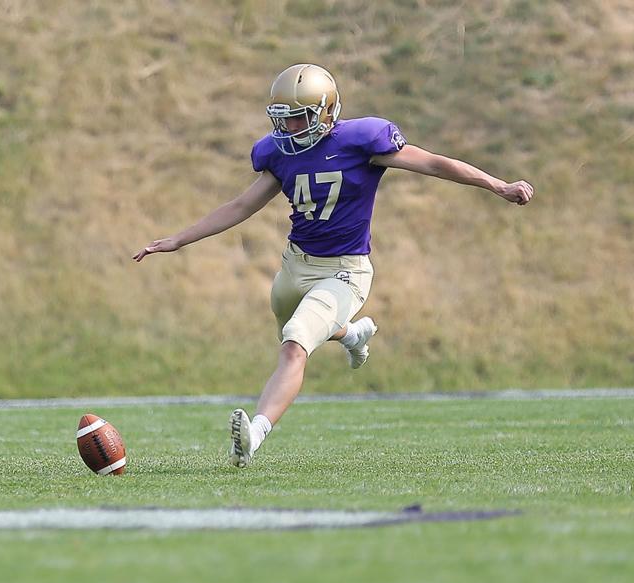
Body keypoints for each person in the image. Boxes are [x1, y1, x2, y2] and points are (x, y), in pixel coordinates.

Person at [134, 63, 533, 468]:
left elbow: (432, 163)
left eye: (298, 117)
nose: (288, 128)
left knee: (295, 343)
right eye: (282, 118)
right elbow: (240, 206)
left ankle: (253, 435)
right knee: (303, 325)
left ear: (325, 112)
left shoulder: (363, 141)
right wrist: (179, 239)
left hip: (345, 270)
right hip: (294, 268)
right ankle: (353, 334)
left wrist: (497, 185)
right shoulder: (279, 154)